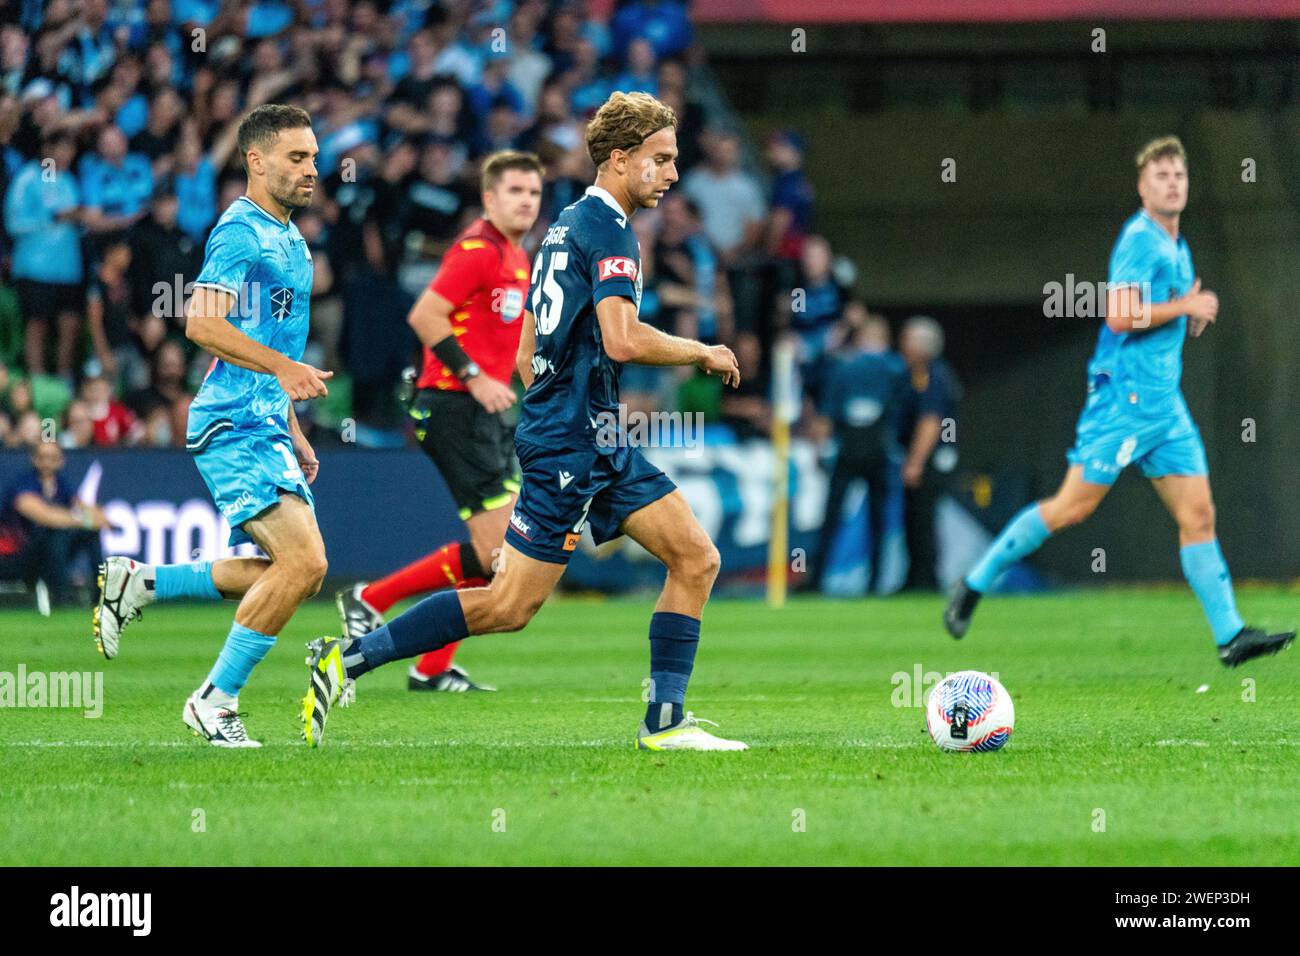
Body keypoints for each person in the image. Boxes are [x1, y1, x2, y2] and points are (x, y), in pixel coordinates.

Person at [302, 91, 748, 752]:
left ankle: (664, 722)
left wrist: (553, 404)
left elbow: (524, 348)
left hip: (588, 435)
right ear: (621, 159)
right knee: (510, 605)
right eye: (661, 159)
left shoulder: (565, 225)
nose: (673, 174)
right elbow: (622, 340)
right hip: (572, 442)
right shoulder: (608, 230)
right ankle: (347, 659)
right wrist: (701, 350)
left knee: (696, 557)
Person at [945, 136, 1294, 667]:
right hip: (1123, 402)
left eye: (1179, 175)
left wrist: (1189, 312)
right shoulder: (1141, 240)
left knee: (1199, 514)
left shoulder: (1177, 244)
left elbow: (1164, 311)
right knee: (1071, 509)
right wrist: (1184, 305)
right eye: (1161, 176)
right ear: (1142, 186)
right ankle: (973, 583)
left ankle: (1230, 636)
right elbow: (1119, 315)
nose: (1172, 184)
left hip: (1164, 406)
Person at [92, 104, 334, 747]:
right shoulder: (240, 231)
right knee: (306, 562)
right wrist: (285, 370)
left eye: (314, 156)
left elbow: (268, 337)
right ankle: (213, 700)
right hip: (231, 421)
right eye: (297, 157)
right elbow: (200, 324)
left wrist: (294, 425)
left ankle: (140, 581)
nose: (314, 169)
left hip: (265, 424)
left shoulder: (292, 238)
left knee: (289, 572)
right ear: (256, 161)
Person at [336, 150, 545, 693]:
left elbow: (511, 341)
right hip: (454, 407)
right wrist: (475, 376)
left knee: (494, 554)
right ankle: (378, 610)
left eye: (534, 193)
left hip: (487, 414)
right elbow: (424, 315)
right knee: (505, 556)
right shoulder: (476, 250)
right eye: (515, 191)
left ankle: (421, 657)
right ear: (489, 198)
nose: (525, 201)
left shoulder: (517, 259)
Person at [809, 309, 907, 594]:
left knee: (832, 516)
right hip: (880, 450)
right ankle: (876, 582)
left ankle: (816, 580)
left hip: (848, 449)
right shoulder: (896, 368)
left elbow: (825, 416)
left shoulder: (843, 367)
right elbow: (903, 414)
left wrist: (821, 449)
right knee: (878, 518)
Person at [0, 441, 111, 604]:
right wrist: (83, 520)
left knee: (89, 533)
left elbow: (96, 516)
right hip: (17, 555)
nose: (47, 462)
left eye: (53, 458)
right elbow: (46, 517)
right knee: (57, 534)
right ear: (34, 459)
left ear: (61, 461)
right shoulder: (22, 485)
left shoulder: (62, 485)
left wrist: (89, 519)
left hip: (49, 554)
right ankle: (61, 597)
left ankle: (100, 592)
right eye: (43, 457)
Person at [897, 315, 960, 591]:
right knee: (915, 518)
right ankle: (915, 577)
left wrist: (915, 462)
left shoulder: (932, 375)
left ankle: (925, 580)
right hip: (930, 459)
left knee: (922, 518)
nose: (901, 345)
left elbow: (930, 422)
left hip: (932, 460)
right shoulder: (921, 374)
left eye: (907, 340)